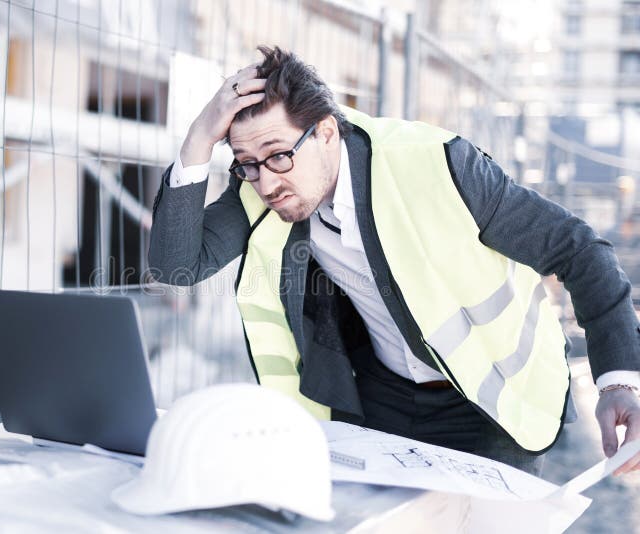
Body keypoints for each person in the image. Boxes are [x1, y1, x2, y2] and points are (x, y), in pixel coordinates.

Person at [147, 45, 640, 475]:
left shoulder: (438, 164)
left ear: (325, 132)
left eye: (278, 155)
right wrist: (198, 139)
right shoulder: (263, 186)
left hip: (491, 403)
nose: (266, 182)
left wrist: (618, 381)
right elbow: (176, 267)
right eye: (246, 163)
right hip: (380, 397)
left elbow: (578, 249)